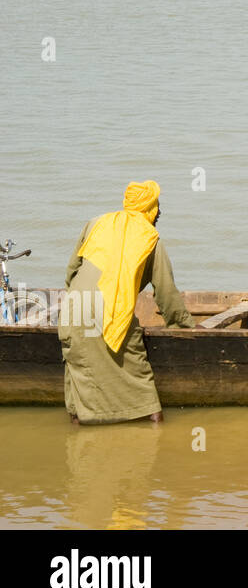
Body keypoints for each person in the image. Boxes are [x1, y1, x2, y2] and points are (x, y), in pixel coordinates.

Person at [59, 181, 195, 425]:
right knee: (141, 382)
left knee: (78, 382)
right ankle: (157, 432)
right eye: (157, 206)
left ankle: (78, 437)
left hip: (72, 307)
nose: (160, 212)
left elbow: (72, 271)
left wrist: (73, 304)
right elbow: (166, 293)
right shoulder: (151, 239)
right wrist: (184, 327)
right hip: (106, 311)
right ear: (150, 210)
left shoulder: (96, 223)